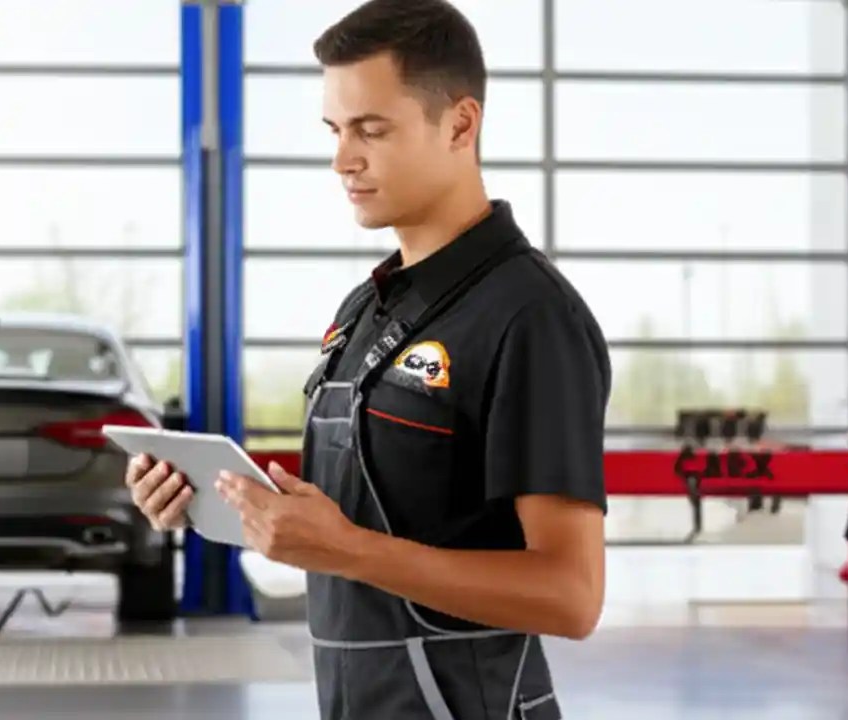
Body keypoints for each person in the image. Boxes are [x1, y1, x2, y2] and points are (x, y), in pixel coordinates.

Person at [124, 1, 611, 718]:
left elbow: (572, 597)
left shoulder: (529, 317)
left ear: (461, 124)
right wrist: (217, 503)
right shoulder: (365, 310)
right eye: (335, 129)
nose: (342, 158)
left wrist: (348, 550)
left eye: (371, 130)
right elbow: (357, 524)